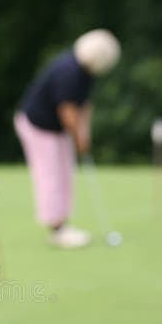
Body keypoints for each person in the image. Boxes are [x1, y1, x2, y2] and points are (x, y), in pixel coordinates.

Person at [14, 29, 120, 248]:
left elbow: (84, 106)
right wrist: (78, 137)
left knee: (65, 173)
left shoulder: (85, 73)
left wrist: (85, 134)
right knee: (50, 175)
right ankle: (57, 230)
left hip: (56, 128)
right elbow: (68, 111)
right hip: (39, 126)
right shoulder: (69, 71)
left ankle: (63, 224)